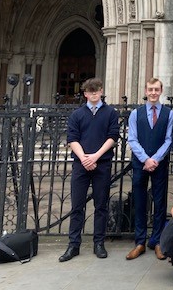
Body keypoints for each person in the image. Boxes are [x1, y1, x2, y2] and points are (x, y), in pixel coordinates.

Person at [59, 78, 119, 262]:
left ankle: (99, 243)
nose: (93, 94)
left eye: (96, 90)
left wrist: (95, 157)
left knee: (101, 206)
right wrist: (85, 158)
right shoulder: (77, 114)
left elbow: (113, 137)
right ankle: (73, 245)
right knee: (77, 205)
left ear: (101, 91)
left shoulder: (110, 113)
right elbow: (72, 138)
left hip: (101, 163)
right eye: (90, 91)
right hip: (81, 165)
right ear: (85, 93)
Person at [126, 78, 173, 260]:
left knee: (160, 202)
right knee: (139, 201)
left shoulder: (168, 114)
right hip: (140, 163)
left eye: (156, 89)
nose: (153, 93)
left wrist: (155, 159)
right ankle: (140, 242)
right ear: (146, 91)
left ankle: (156, 241)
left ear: (161, 91)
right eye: (150, 89)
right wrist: (146, 159)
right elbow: (132, 139)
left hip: (159, 164)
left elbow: (169, 139)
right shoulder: (135, 114)